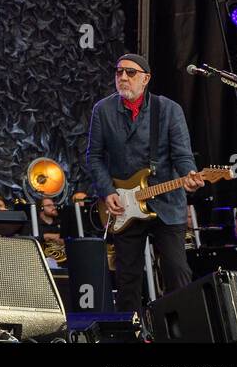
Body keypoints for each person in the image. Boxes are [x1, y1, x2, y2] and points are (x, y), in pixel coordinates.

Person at [86, 53, 205, 315]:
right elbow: (94, 157)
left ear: (146, 79)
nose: (123, 77)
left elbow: (183, 155)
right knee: (128, 277)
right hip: (124, 206)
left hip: (166, 201)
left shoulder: (169, 109)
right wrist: (107, 192)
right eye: (119, 72)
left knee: (177, 270)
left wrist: (191, 176)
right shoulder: (103, 110)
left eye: (130, 73)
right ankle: (129, 332)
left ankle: (183, 329)